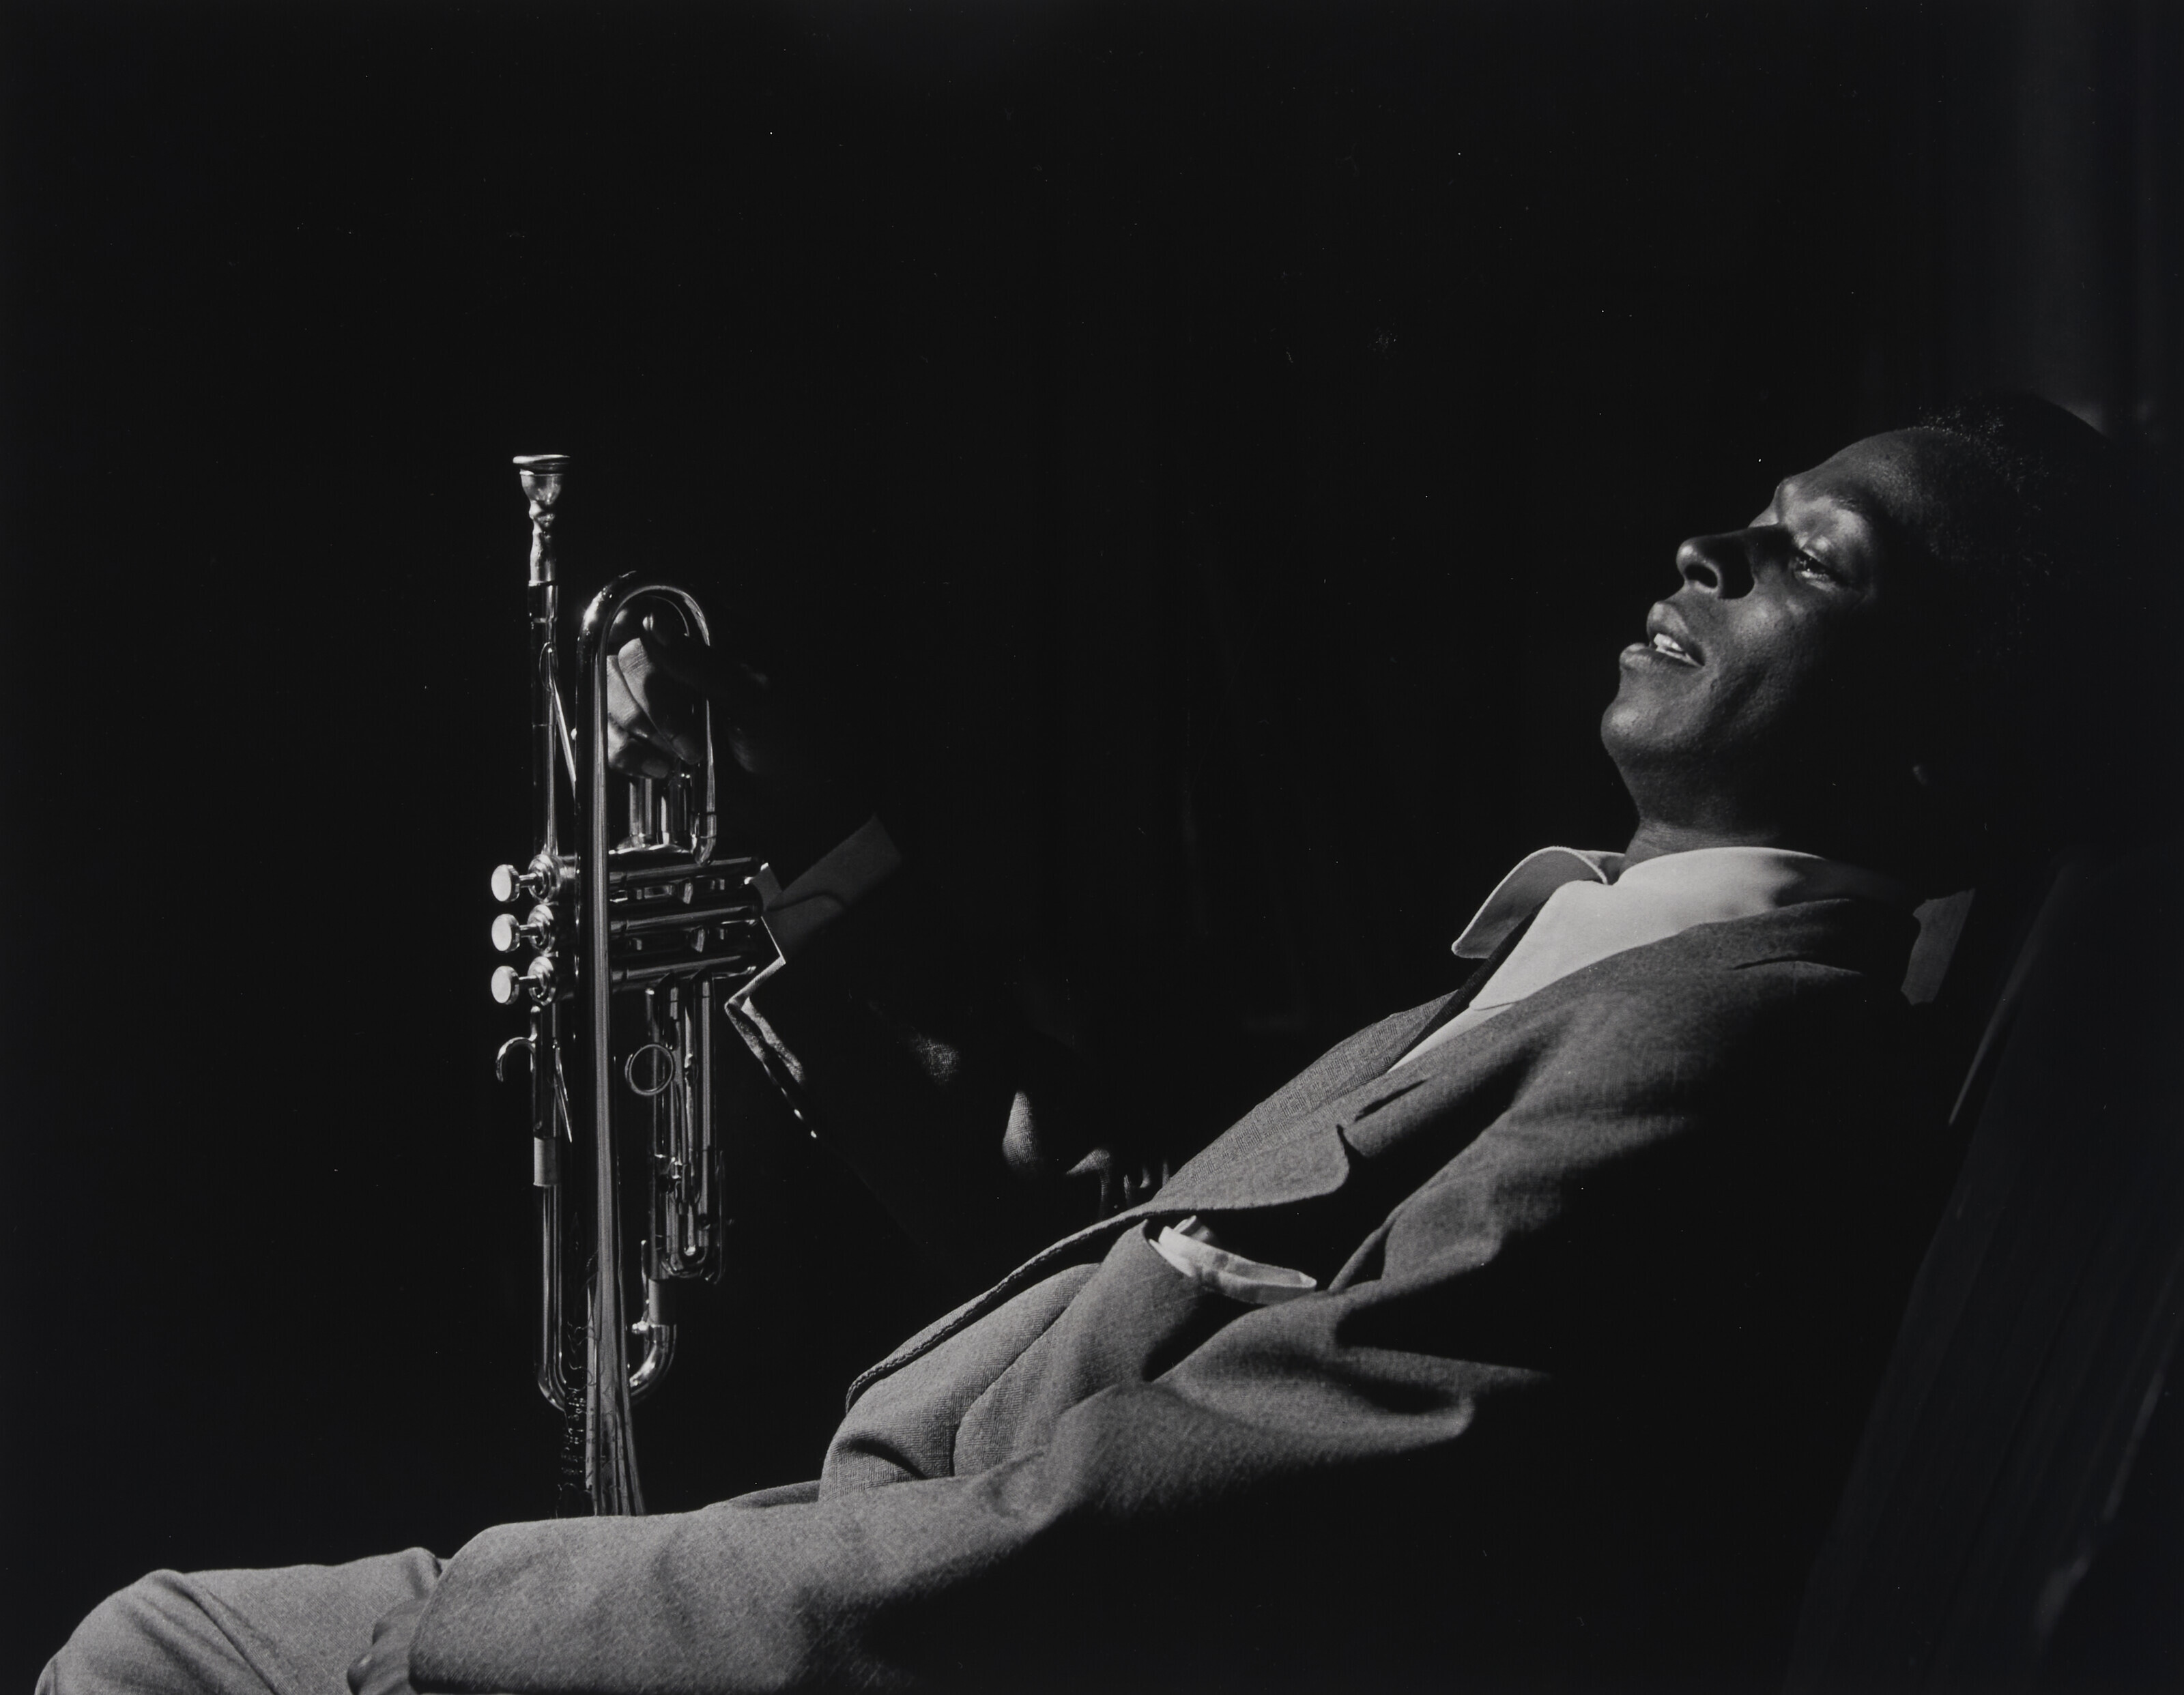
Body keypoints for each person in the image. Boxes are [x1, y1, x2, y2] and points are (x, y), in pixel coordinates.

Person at [42, 396, 2127, 1695]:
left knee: (157, 1652)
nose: (1714, 546)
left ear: (1932, 746)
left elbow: (1109, 1543)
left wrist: (481, 1624)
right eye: (1747, 510)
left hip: (921, 1619)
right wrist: (799, 887)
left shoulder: (1718, 1064)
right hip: (885, 1555)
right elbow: (1151, 1251)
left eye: (1812, 561)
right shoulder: (1596, 956)